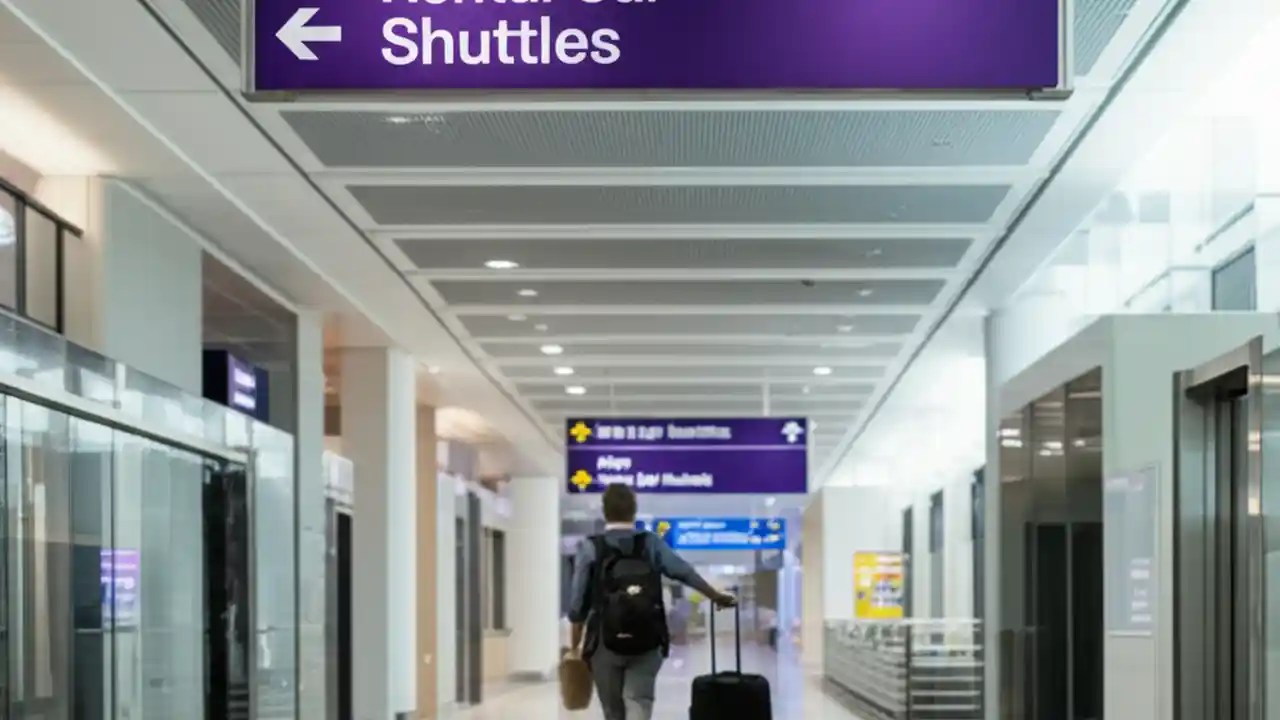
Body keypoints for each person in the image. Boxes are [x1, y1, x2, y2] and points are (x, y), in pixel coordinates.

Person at [566, 484, 736, 720]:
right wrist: (714, 595)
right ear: (634, 511)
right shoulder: (650, 543)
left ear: (605, 512)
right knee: (639, 701)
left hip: (603, 643)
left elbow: (577, 605)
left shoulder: (591, 547)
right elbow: (683, 571)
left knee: (613, 710)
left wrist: (575, 646)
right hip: (647, 638)